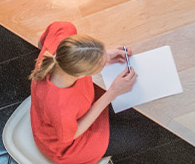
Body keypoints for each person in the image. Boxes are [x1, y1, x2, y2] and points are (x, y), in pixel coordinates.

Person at [30, 21, 141, 163]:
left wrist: (101, 56)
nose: (105, 60)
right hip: (69, 144)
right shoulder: (60, 108)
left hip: (61, 118)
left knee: (132, 114)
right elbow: (73, 134)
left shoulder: (64, 34)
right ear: (81, 75)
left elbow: (44, 41)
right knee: (144, 135)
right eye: (99, 66)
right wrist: (111, 93)